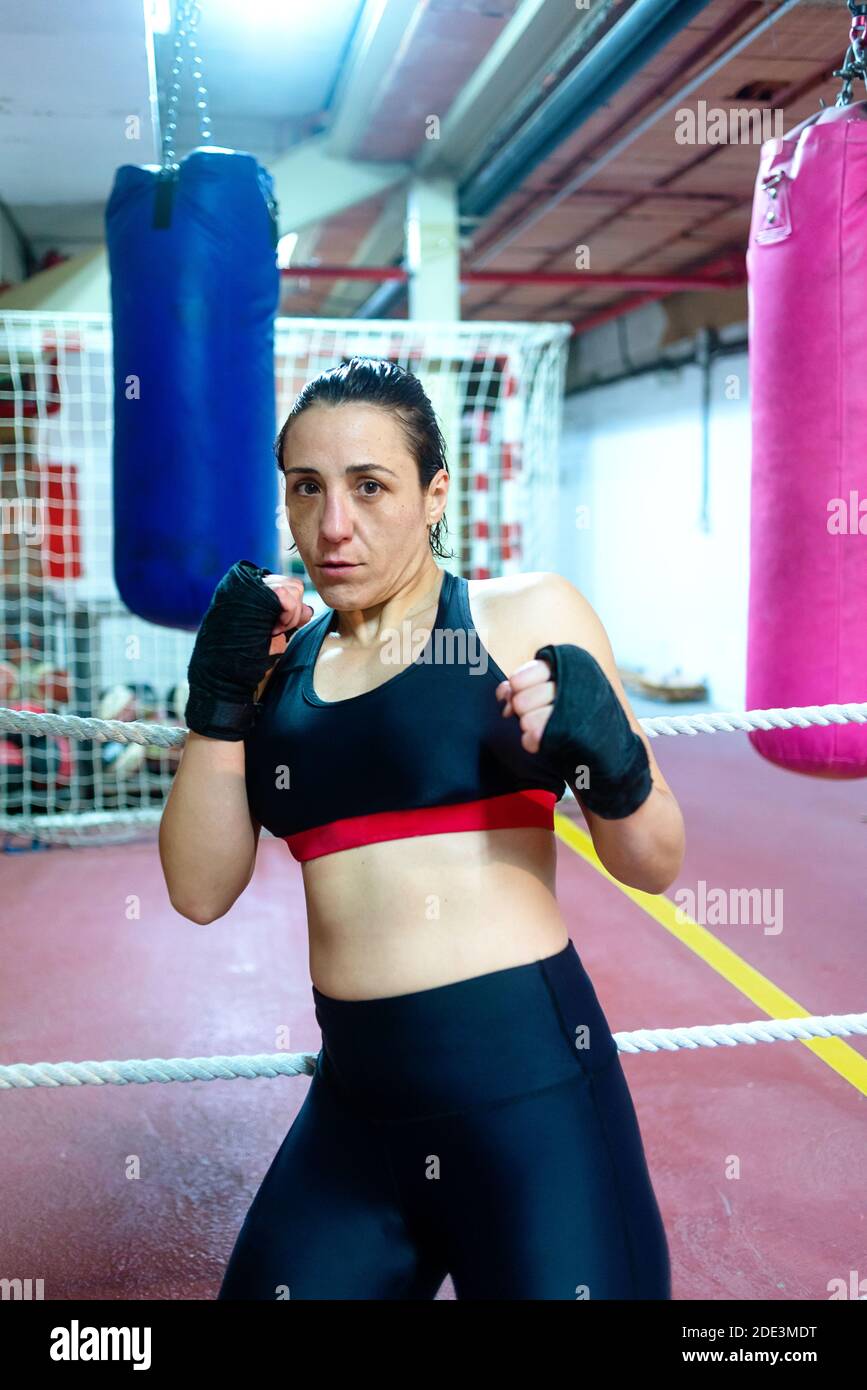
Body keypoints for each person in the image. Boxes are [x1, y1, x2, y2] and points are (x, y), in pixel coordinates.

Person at [158, 357, 685, 1301]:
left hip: (530, 1104)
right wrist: (217, 702)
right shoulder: (279, 668)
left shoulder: (520, 616)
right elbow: (199, 892)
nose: (333, 526)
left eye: (370, 487)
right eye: (306, 489)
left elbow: (653, 862)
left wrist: (615, 761)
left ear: (434, 492)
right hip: (355, 1116)